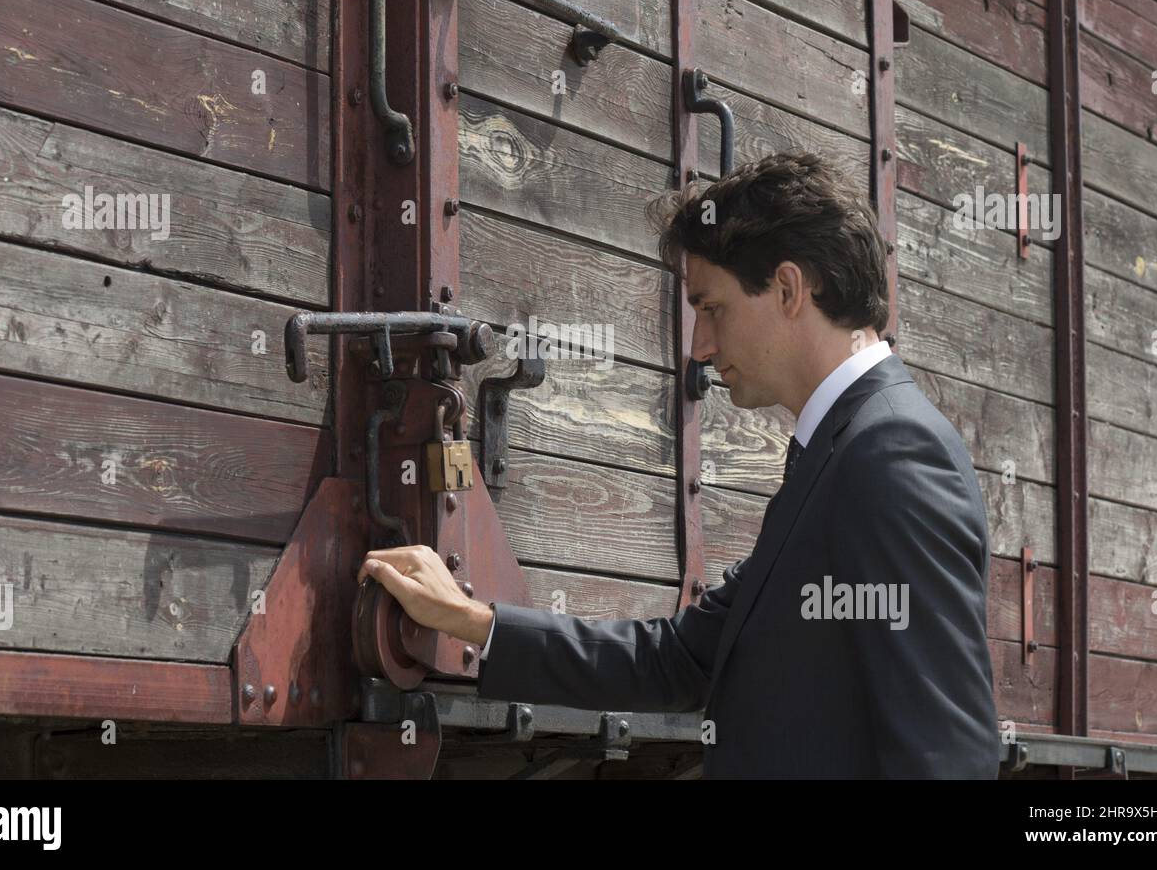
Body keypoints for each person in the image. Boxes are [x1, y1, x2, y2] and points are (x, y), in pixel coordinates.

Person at [358, 150, 1001, 778]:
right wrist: (468, 620)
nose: (699, 346)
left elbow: (945, 754)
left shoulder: (891, 457)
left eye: (712, 307)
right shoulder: (845, 449)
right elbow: (681, 660)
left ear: (787, 289)